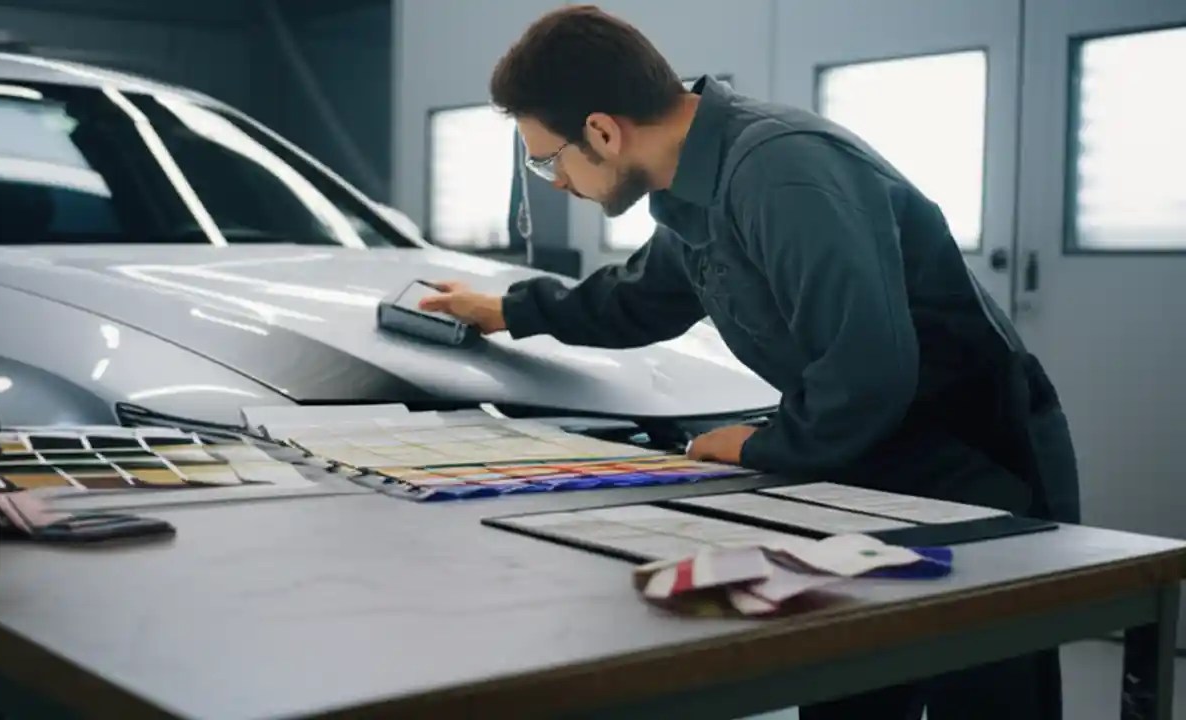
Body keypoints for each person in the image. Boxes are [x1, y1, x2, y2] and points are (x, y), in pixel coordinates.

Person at [420, 7, 1081, 719]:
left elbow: (869, 371)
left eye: (548, 160)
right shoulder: (690, 189)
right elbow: (640, 301)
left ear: (603, 132)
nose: (552, 182)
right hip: (864, 464)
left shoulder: (780, 173)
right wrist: (509, 311)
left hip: (971, 465)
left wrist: (761, 444)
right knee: (850, 691)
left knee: (983, 697)